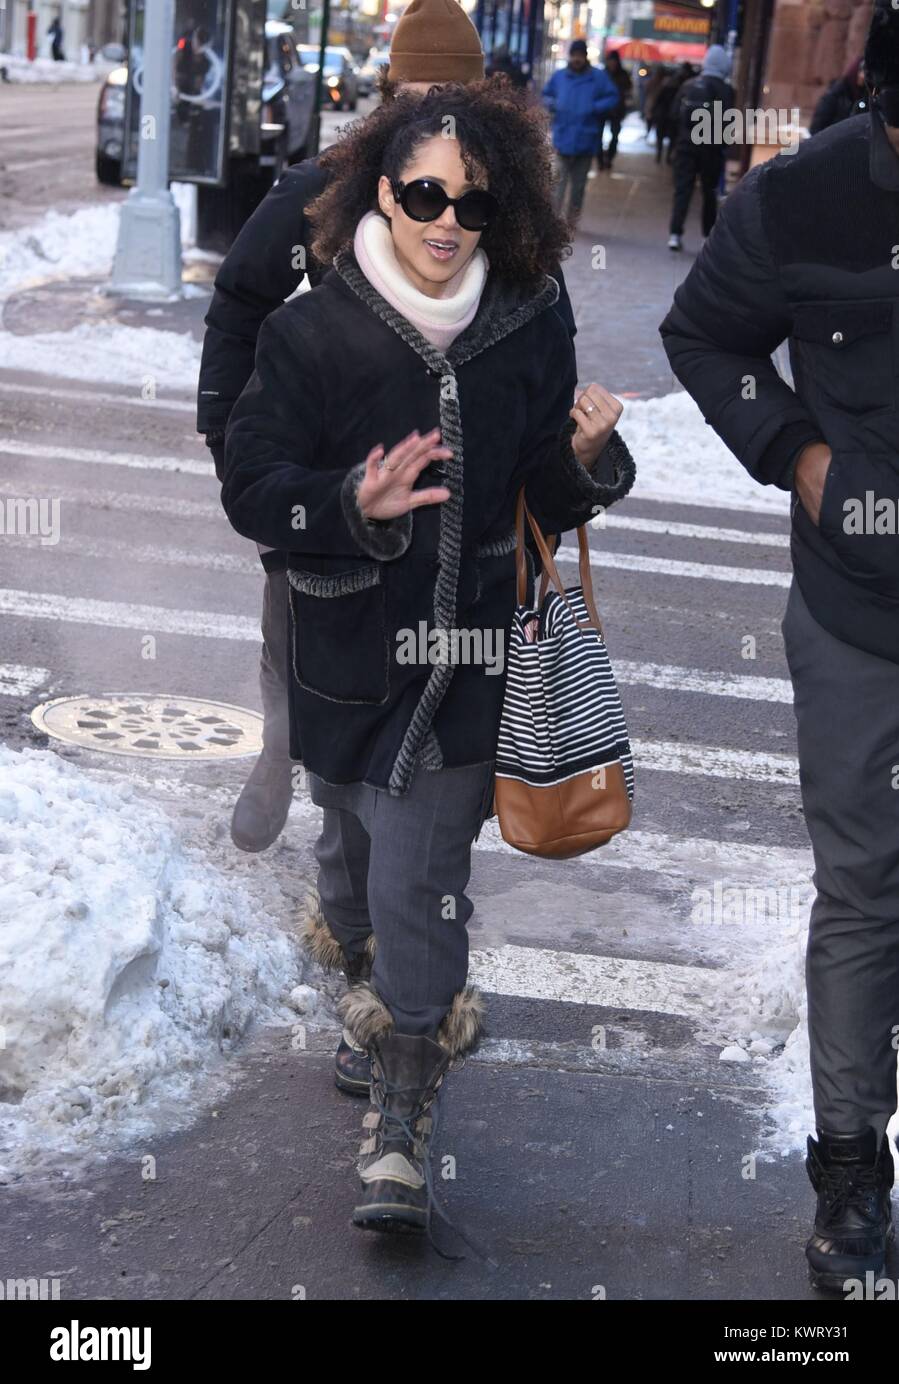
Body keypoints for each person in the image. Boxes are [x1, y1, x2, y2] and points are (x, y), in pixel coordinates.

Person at [221, 81, 636, 1237]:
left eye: (470, 202)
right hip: (342, 659)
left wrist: (589, 457)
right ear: (381, 194)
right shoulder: (312, 329)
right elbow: (250, 485)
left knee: (419, 879)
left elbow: (548, 495)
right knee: (352, 847)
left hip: (466, 667)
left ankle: (399, 1124)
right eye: (422, 195)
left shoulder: (528, 315)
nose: (446, 221)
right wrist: (348, 501)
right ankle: (357, 954)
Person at [197, 0, 578, 857]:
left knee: (423, 701)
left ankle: (387, 878)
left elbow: (547, 332)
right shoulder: (318, 188)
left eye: (453, 87)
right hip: (330, 476)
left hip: (453, 500)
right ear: (387, 86)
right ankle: (283, 748)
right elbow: (238, 308)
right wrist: (235, 441)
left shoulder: (496, 201)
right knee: (304, 641)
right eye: (418, 85)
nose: (434, 104)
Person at [660, 0, 899, 1294]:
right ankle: (850, 1175)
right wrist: (799, 456)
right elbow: (699, 332)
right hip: (857, 607)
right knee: (864, 891)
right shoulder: (802, 202)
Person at [541, 39, 620, 224]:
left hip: (586, 140)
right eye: (574, 55)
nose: (577, 59)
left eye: (580, 55)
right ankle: (553, 222)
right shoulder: (560, 76)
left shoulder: (598, 77)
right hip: (562, 138)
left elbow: (613, 96)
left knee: (578, 187)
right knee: (557, 185)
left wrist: (594, 107)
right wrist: (554, 105)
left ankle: (571, 223)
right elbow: (546, 94)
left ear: (585, 57)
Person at [667, 46, 735, 251]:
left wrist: (678, 141)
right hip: (711, 149)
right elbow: (728, 121)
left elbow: (673, 115)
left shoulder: (689, 85)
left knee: (682, 191)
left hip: (686, 147)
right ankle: (707, 236)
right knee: (709, 192)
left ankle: (675, 234)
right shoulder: (726, 90)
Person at [810, 56, 869, 135]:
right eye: (861, 72)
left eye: (866, 73)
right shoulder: (837, 93)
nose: (862, 76)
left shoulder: (866, 97)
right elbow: (818, 125)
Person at [596, 49, 632, 171]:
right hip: (602, 110)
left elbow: (628, 90)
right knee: (598, 136)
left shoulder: (623, 74)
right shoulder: (602, 74)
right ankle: (600, 160)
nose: (612, 63)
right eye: (610, 60)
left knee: (615, 136)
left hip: (617, 110)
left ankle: (609, 159)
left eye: (614, 60)